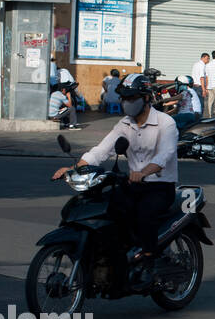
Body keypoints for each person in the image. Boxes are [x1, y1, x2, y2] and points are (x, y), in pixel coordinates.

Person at [52, 73, 178, 273]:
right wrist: (74, 168)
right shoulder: (124, 124)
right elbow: (101, 151)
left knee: (145, 213)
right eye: (124, 98)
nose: (126, 103)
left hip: (159, 187)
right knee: (105, 208)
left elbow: (165, 154)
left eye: (131, 98)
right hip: (132, 184)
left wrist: (143, 172)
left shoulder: (166, 123)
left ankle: (149, 259)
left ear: (146, 98)